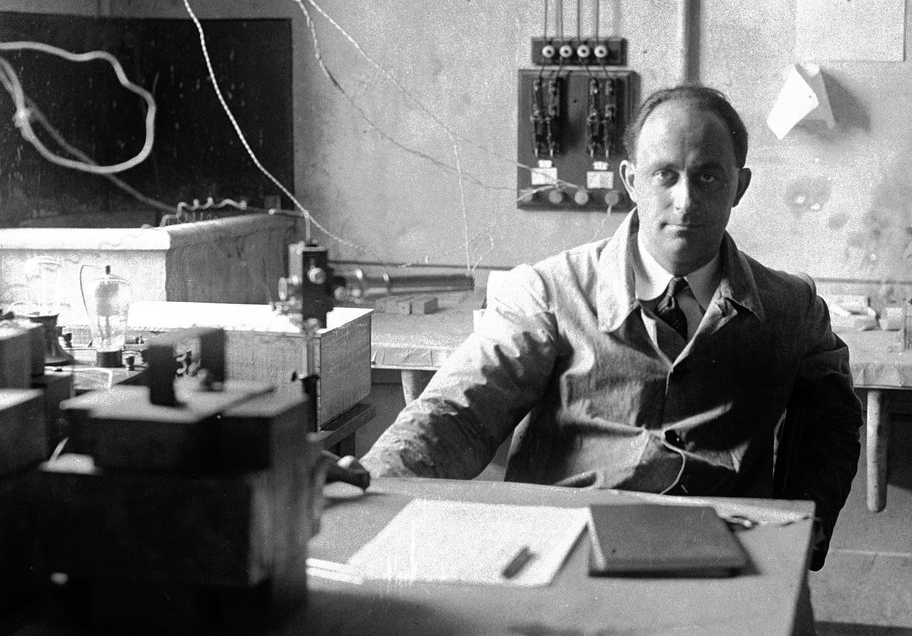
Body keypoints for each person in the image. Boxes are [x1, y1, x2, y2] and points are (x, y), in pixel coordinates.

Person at [363, 84, 862, 575]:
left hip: (723, 562)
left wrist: (804, 527)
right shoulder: (550, 291)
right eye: (665, 175)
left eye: (708, 176)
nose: (685, 200)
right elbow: (459, 411)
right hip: (563, 558)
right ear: (631, 181)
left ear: (740, 186)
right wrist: (372, 481)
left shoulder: (792, 306)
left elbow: (833, 422)